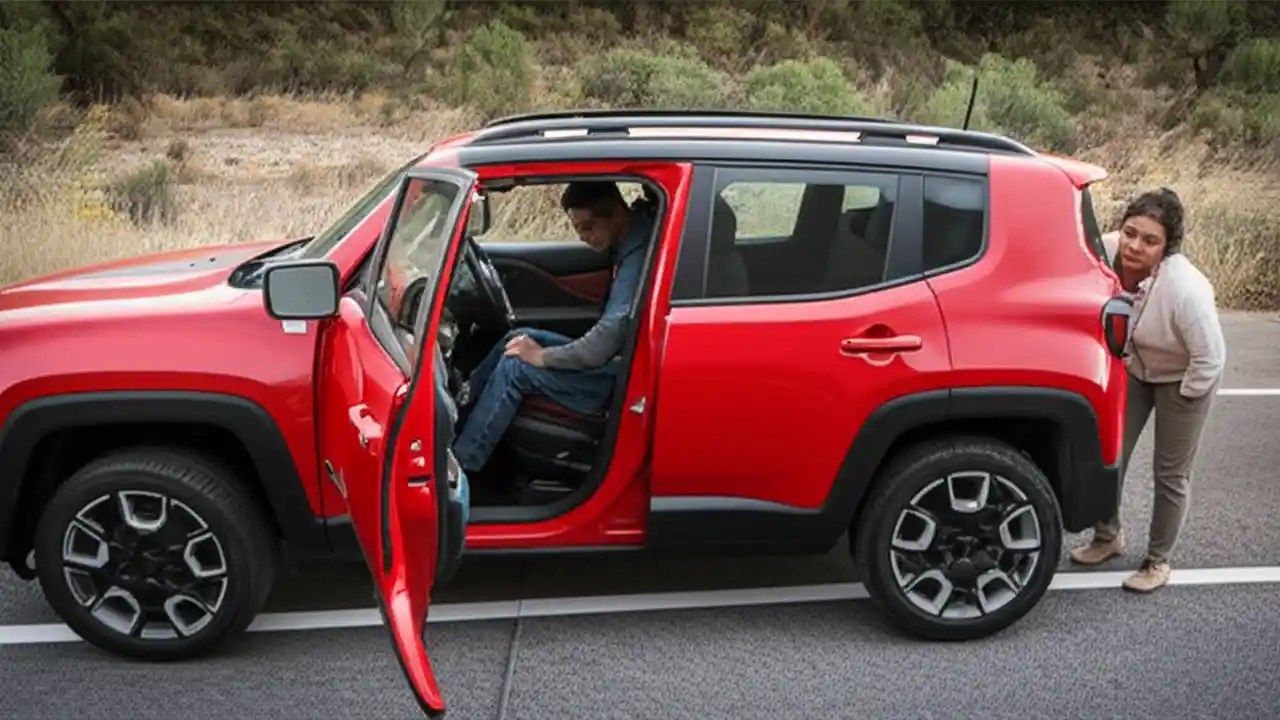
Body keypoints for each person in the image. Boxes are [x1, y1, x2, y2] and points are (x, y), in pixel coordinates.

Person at [1069, 188, 1226, 593]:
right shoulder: (1104, 253)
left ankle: (1157, 561)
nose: (1135, 246)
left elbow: (1210, 358)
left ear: (1166, 247)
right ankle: (1108, 538)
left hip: (1185, 376)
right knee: (1110, 454)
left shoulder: (1186, 290)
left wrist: (1186, 396)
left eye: (1150, 240)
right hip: (1138, 368)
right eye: (1130, 232)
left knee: (1170, 473)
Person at [451, 181, 654, 473]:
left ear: (618, 216)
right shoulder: (631, 237)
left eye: (589, 227)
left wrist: (542, 357)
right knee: (517, 339)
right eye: (577, 229)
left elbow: (603, 343)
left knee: (516, 368)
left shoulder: (637, 260)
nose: (583, 237)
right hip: (618, 361)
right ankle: (461, 408)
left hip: (618, 378)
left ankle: (462, 467)